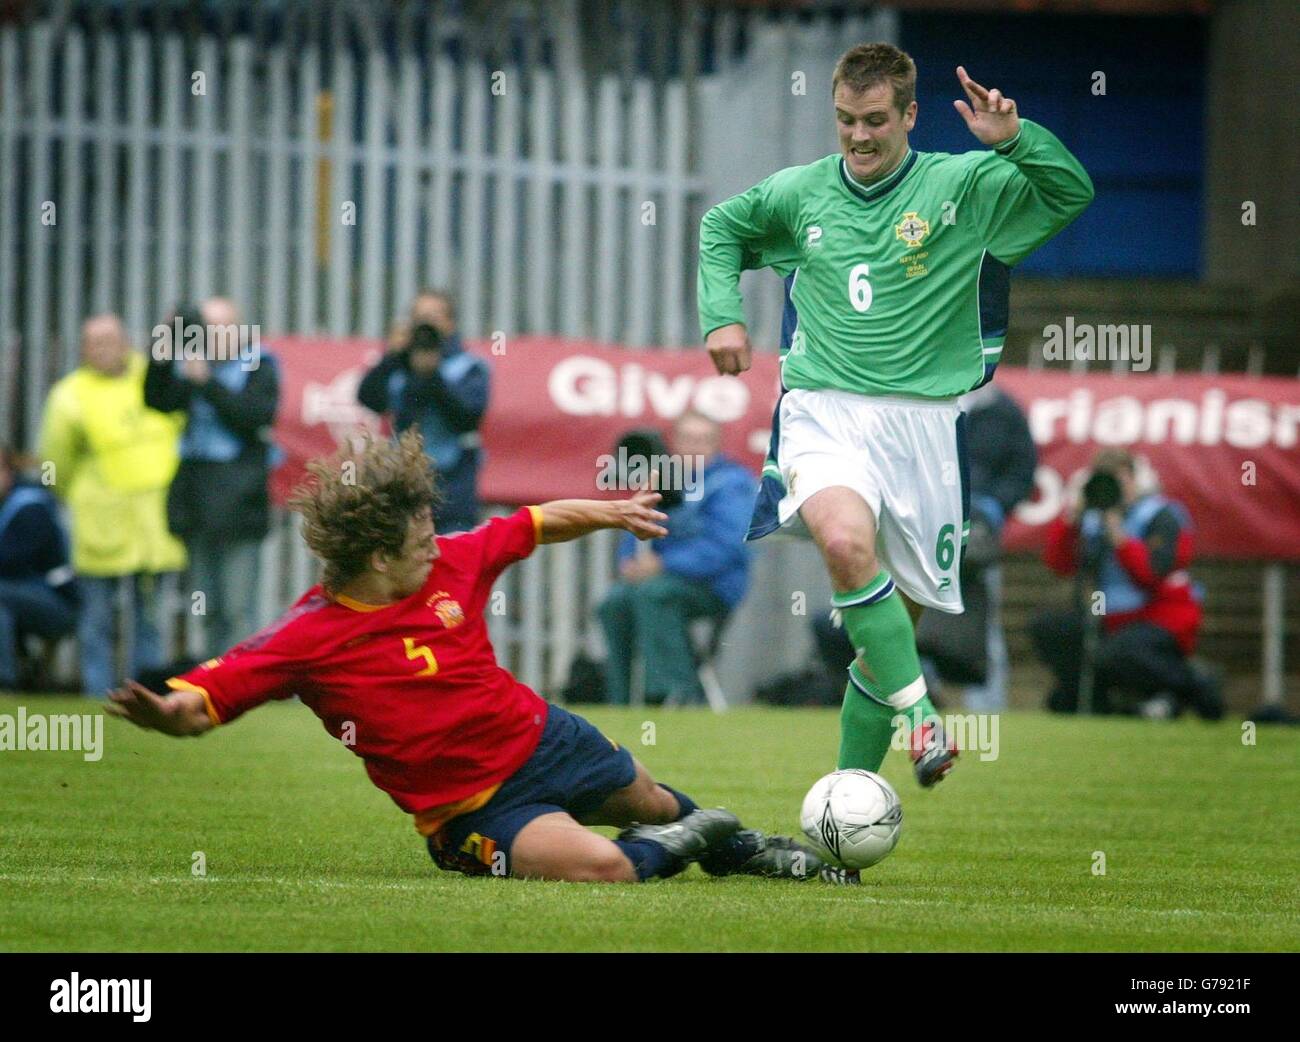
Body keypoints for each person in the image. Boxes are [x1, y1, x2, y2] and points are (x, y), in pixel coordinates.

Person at [105, 431, 832, 884]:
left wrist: (608, 511)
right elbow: (204, 702)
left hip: (543, 739)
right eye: (420, 540)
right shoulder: (309, 637)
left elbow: (536, 522)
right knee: (606, 868)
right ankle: (685, 841)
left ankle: (750, 852)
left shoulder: (452, 558)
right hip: (474, 811)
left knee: (653, 801)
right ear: (379, 557)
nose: (436, 544)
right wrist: (168, 714)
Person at [697, 44, 1093, 797]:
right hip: (825, 412)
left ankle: (845, 815)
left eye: (876, 120)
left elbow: (1070, 192)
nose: (859, 136)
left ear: (910, 115)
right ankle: (922, 723)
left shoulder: (964, 185)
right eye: (845, 120)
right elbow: (720, 228)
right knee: (845, 543)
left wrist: (1016, 140)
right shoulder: (801, 192)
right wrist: (721, 317)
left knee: (884, 647)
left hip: (928, 430)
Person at [39, 314, 187, 696]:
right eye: (94, 342)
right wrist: (73, 495)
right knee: (97, 618)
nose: (103, 349)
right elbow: (54, 462)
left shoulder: (154, 378)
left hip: (155, 524)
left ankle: (146, 695)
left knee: (150, 617)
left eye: (110, 340)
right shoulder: (69, 395)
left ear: (127, 342)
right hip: (98, 522)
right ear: (83, 349)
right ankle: (98, 697)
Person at [1030, 448, 1222, 719]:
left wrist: (1119, 536)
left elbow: (1152, 574)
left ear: (1134, 481)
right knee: (1051, 628)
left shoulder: (1162, 515)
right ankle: (1093, 698)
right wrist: (1072, 519)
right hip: (1107, 616)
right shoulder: (1091, 518)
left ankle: (1193, 684)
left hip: (1160, 616)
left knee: (1119, 652)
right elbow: (1058, 565)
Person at [144, 298, 281, 658]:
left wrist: (207, 384)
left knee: (237, 607)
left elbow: (254, 416)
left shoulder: (259, 366)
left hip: (239, 503)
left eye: (224, 326)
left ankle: (241, 683)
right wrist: (165, 340)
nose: (215, 335)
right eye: (208, 327)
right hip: (196, 503)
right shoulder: (189, 366)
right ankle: (211, 685)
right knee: (205, 605)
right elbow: (155, 399)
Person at [597, 410, 755, 706]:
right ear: (674, 443)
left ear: (716, 445)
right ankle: (618, 699)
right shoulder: (664, 479)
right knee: (614, 602)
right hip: (657, 581)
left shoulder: (732, 483)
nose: (695, 447)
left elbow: (726, 547)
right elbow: (636, 525)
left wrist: (664, 565)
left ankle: (672, 695)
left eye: (703, 440)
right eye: (688, 439)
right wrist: (630, 561)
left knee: (655, 594)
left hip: (713, 587)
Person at [916, 382, 1037, 709]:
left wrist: (993, 506)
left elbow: (1023, 471)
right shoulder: (931, 398)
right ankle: (919, 701)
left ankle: (987, 708)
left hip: (977, 534)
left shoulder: (1005, 412)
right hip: (925, 525)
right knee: (914, 613)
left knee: (984, 620)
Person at [358, 289, 488, 533]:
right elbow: (368, 398)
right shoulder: (400, 363)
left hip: (453, 485)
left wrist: (433, 377)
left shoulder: (469, 366)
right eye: (419, 316)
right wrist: (392, 355)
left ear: (450, 323)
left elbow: (468, 419)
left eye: (433, 316)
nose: (426, 323)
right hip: (402, 482)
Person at [0, 446, 78, 690]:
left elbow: (10, 561)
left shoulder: (30, 507)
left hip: (58, 604)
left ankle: (7, 681)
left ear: (9, 472)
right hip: (19, 599)